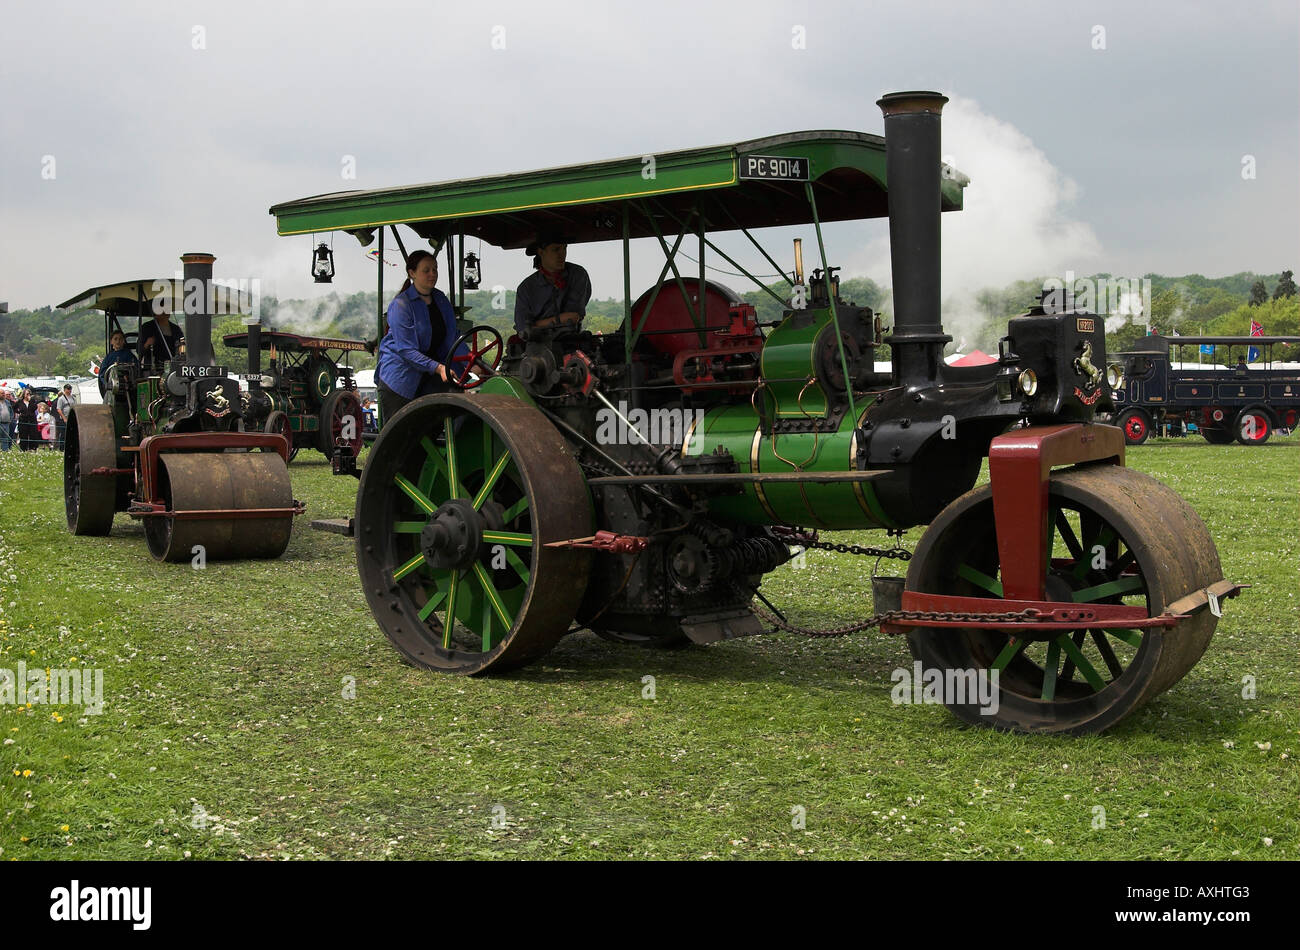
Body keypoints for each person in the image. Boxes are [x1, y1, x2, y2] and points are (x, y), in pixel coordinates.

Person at [374, 250, 464, 423]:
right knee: (400, 438)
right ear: (412, 273)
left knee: (457, 404)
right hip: (400, 380)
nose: (432, 274)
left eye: (435, 269)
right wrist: (439, 368)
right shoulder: (401, 304)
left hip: (430, 375)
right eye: (426, 270)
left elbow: (452, 338)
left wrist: (472, 364)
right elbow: (406, 350)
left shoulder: (441, 300)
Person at [513, 233, 592, 335]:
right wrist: (560, 319)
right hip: (535, 345)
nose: (562, 254)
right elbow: (522, 328)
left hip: (570, 341)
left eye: (564, 248)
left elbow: (573, 317)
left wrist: (536, 325)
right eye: (556, 249)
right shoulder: (526, 288)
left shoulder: (577, 274)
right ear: (541, 252)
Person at [99, 329, 139, 394]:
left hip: (127, 388)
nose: (118, 341)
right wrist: (108, 384)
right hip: (112, 387)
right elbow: (102, 375)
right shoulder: (108, 357)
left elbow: (136, 369)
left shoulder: (129, 355)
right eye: (115, 339)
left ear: (123, 341)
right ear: (111, 341)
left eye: (120, 339)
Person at [54, 384, 73, 450]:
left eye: (70, 389)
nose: (69, 390)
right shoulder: (61, 398)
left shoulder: (73, 398)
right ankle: (62, 448)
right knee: (63, 434)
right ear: (65, 389)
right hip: (63, 419)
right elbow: (59, 409)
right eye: (68, 389)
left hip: (71, 418)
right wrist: (64, 418)